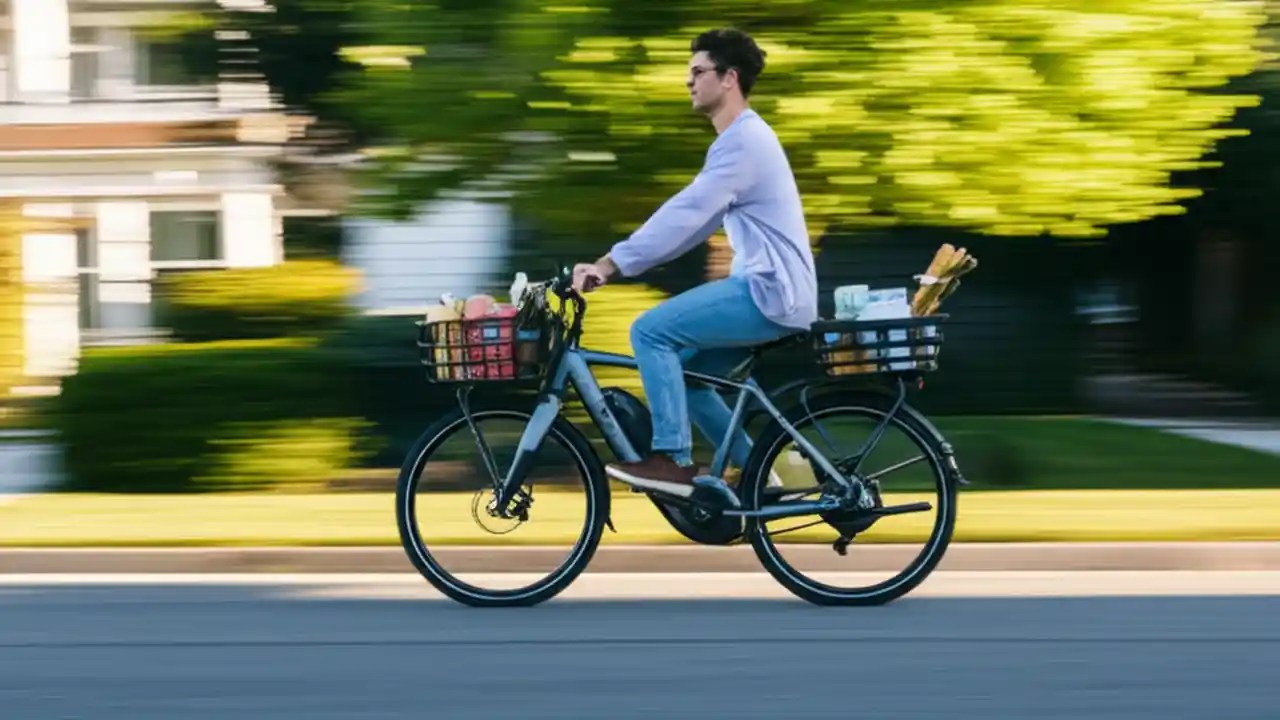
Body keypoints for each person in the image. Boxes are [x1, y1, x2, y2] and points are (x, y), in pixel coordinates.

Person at [572, 27, 818, 498]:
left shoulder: (743, 142)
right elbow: (695, 223)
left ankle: (672, 460)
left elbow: (686, 215)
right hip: (774, 291)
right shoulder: (742, 141)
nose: (688, 81)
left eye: (697, 71)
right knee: (689, 377)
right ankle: (765, 475)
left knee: (649, 332)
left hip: (769, 293)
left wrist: (610, 264)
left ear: (729, 79)